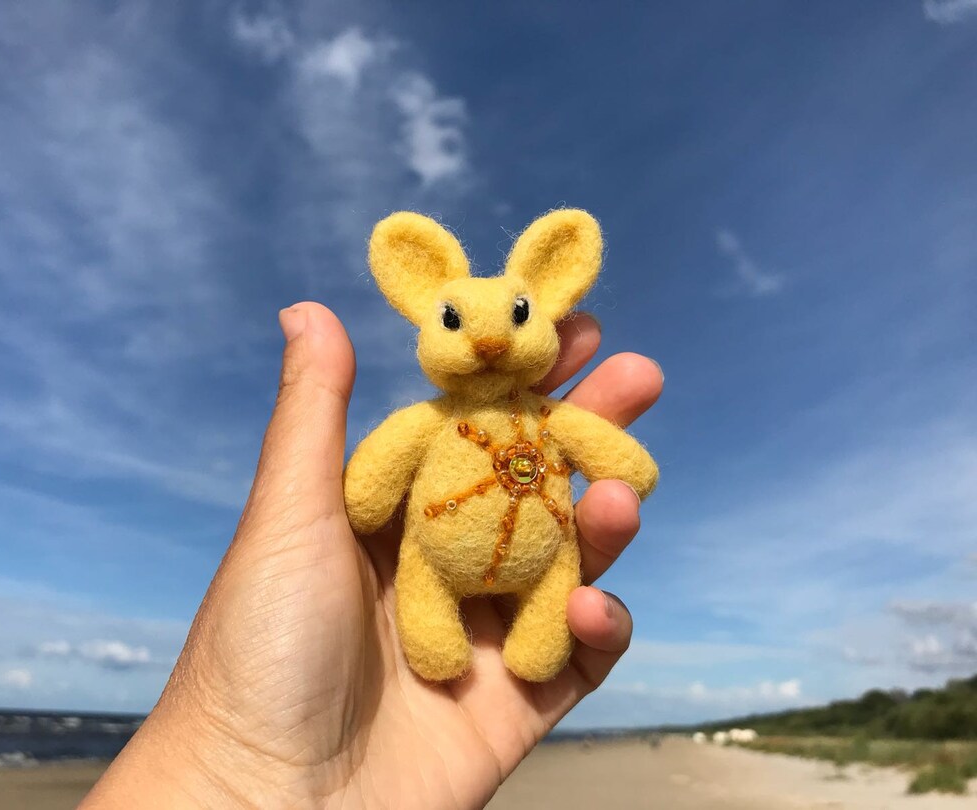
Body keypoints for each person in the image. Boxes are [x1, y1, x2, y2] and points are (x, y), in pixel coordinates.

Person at [80, 301, 663, 809]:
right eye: (456, 321)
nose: (489, 340)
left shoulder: (552, 420)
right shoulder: (429, 422)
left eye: (516, 317)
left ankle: (532, 630)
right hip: (432, 560)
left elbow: (627, 468)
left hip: (546, 561)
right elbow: (367, 493)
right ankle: (440, 633)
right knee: (428, 605)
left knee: (548, 633)